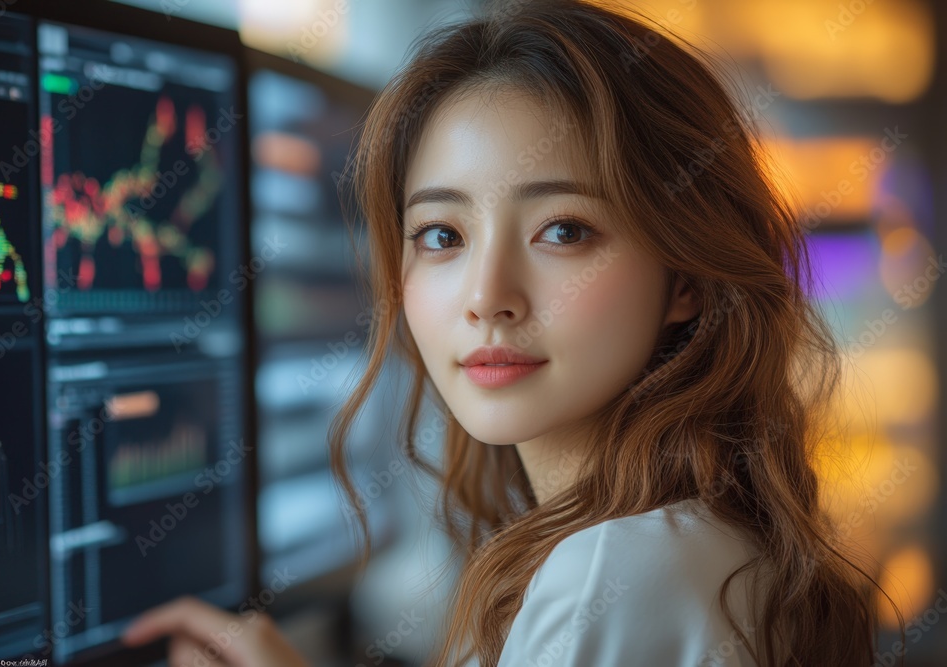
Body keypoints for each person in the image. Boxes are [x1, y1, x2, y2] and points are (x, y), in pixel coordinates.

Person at [120, 1, 904, 665]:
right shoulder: (705, 537)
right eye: (441, 235)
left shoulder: (618, 569)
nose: (487, 297)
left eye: (563, 230)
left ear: (687, 275)